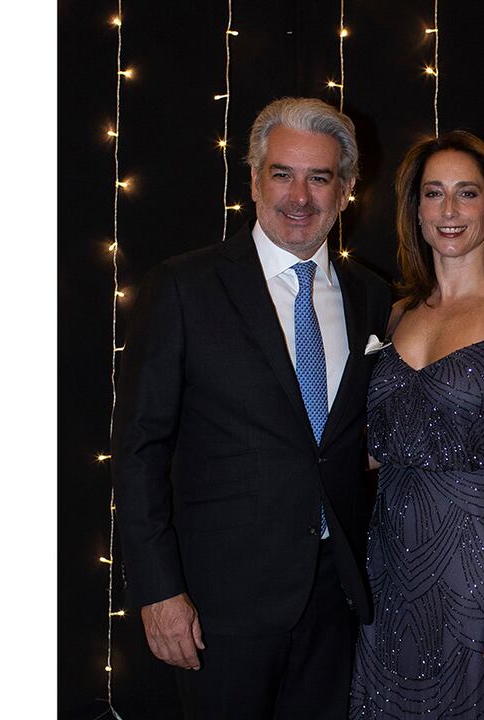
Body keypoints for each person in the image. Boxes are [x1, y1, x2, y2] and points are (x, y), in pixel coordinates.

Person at [112, 97, 391, 719]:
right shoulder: (184, 287)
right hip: (218, 608)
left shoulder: (372, 296)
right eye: (282, 174)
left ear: (345, 190)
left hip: (334, 598)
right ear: (254, 180)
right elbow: (138, 452)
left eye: (319, 177)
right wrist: (160, 593)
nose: (300, 196)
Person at [349, 130, 484, 718]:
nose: (448, 211)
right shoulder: (392, 317)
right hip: (390, 568)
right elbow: (373, 447)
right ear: (415, 210)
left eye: (466, 194)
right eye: (433, 193)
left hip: (478, 568)